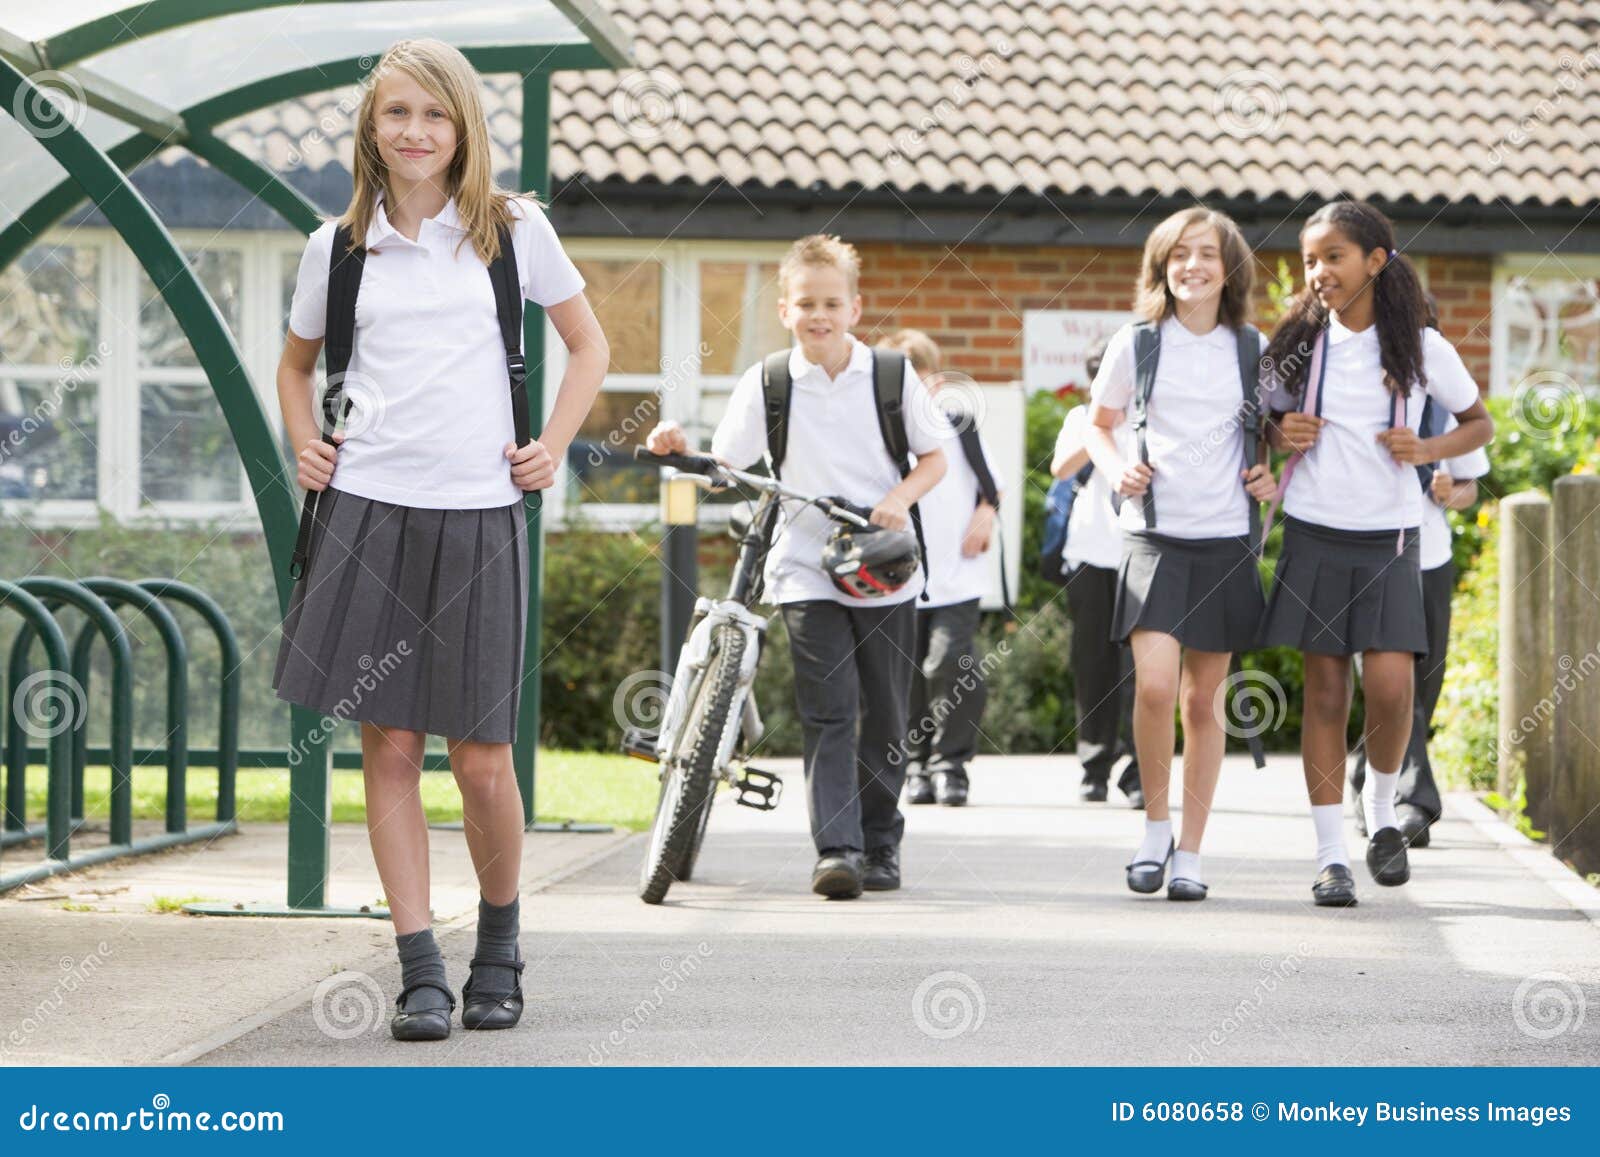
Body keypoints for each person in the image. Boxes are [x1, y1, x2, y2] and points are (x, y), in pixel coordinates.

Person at [273, 39, 608, 1040]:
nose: (415, 131)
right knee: (389, 748)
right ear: (371, 128)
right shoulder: (338, 247)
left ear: (463, 127)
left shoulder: (515, 231)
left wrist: (552, 446)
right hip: (366, 510)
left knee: (482, 759)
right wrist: (304, 441)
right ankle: (419, 966)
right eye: (396, 113)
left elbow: (589, 344)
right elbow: (295, 366)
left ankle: (498, 946)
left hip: (479, 513)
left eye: (434, 114)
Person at [646, 235, 949, 899]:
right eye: (806, 303)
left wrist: (898, 500)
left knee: (886, 712)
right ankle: (838, 850)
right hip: (804, 566)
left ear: (854, 309)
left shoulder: (891, 375)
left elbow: (935, 458)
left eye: (832, 303)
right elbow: (726, 467)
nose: (819, 315)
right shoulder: (770, 381)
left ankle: (880, 842)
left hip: (882, 564)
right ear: (785, 309)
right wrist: (677, 446)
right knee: (829, 708)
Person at [1262, 200, 1493, 907]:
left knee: (1393, 690)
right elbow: (1259, 423)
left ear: (1375, 260)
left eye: (1333, 257)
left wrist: (1426, 448)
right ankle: (1330, 855)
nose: (1319, 272)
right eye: (1310, 260)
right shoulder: (1299, 345)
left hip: (1391, 540)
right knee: (1327, 694)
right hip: (1314, 532)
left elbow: (1478, 422)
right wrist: (1280, 432)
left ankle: (1382, 808)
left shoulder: (1422, 347)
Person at [1084, 207, 1277, 903]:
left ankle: (1191, 852)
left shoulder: (1253, 347)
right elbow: (1098, 425)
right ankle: (1154, 829)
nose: (1192, 266)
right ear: (1161, 267)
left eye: (1206, 253)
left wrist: (1270, 473)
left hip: (1225, 541)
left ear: (1229, 268)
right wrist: (1116, 470)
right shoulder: (1136, 342)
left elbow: (1277, 435)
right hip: (1153, 536)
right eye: (1179, 255)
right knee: (1155, 687)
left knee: (1203, 703)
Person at [881, 329, 1001, 808]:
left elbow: (991, 486)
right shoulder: (882, 436)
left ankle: (951, 763)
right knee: (907, 673)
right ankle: (916, 763)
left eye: (922, 379)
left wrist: (986, 513)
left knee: (949, 662)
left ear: (935, 380)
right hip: (898, 579)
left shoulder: (958, 427)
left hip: (957, 576)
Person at [1051, 340, 1143, 809]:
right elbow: (1060, 469)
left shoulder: (1151, 418)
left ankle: (1140, 770)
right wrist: (1099, 427)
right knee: (1093, 665)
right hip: (1089, 556)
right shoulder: (1082, 419)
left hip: (1141, 555)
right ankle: (1095, 766)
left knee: (1141, 669)